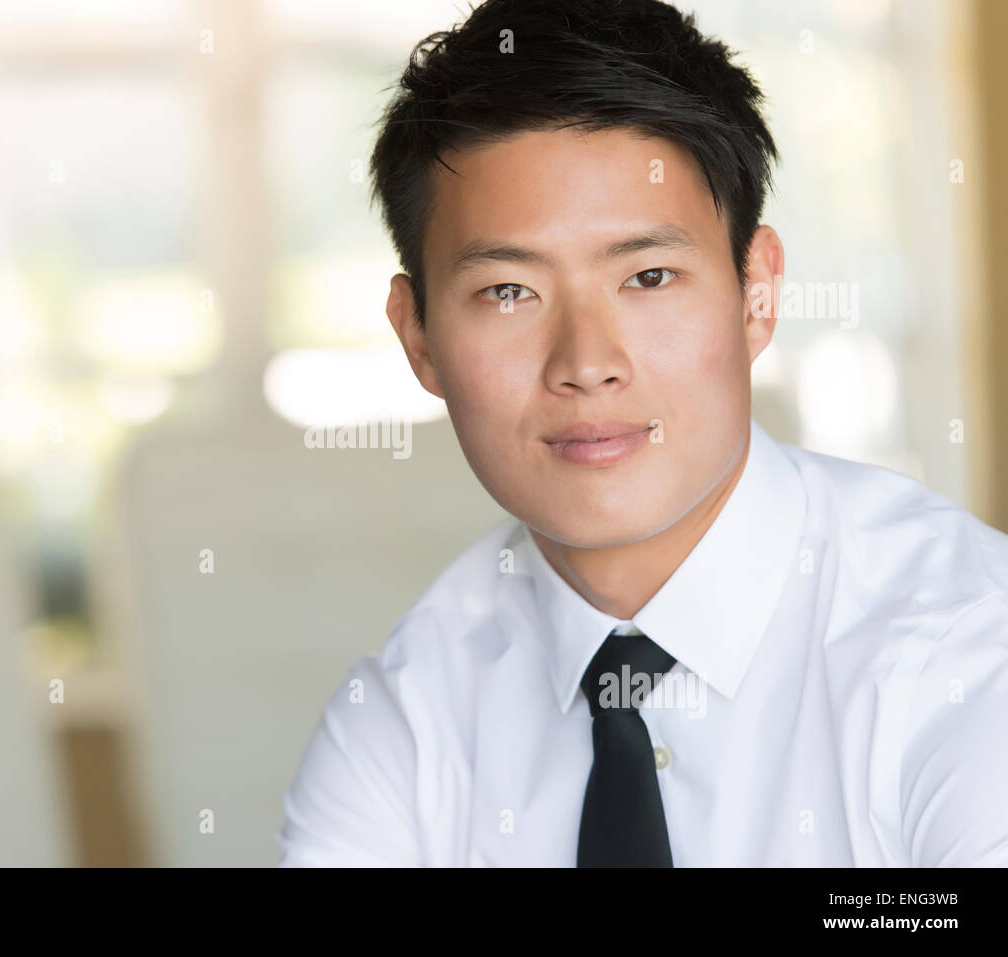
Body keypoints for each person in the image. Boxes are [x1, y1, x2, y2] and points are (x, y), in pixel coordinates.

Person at [275, 0, 1008, 866]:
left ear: (757, 293)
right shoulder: (405, 724)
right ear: (419, 337)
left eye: (649, 275)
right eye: (508, 292)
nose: (586, 363)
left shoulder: (966, 657)